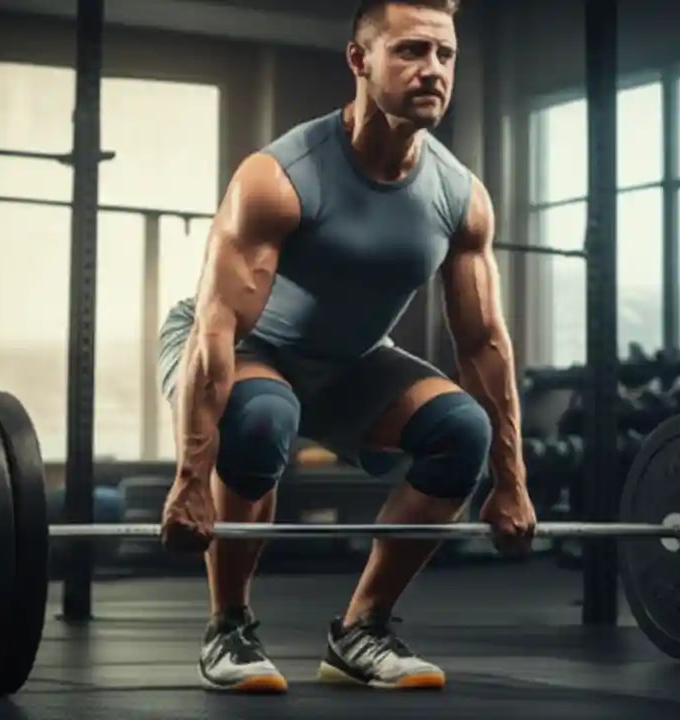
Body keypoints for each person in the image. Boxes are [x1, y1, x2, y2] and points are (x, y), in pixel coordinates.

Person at [156, 0, 535, 694]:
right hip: (240, 346)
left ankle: (362, 629)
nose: (434, 71)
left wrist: (512, 482)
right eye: (411, 52)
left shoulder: (460, 196)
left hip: (351, 359)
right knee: (264, 419)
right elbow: (217, 328)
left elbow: (483, 342)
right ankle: (229, 626)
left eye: (445, 55)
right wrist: (188, 480)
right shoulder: (279, 177)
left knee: (461, 432)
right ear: (360, 61)